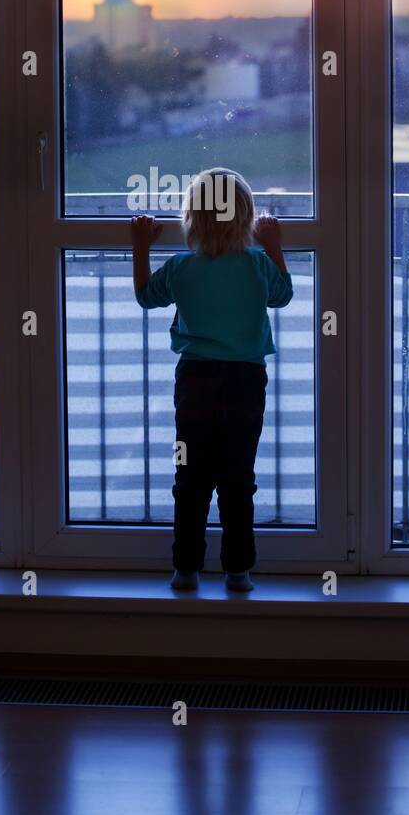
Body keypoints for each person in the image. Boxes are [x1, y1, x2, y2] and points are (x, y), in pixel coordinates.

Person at [131, 167, 293, 592]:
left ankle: (186, 568)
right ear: (245, 219)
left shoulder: (182, 267)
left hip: (195, 382)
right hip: (245, 381)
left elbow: (146, 297)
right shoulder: (256, 264)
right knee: (238, 477)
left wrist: (139, 247)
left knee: (190, 475)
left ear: (192, 218)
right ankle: (237, 571)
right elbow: (283, 295)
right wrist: (274, 245)